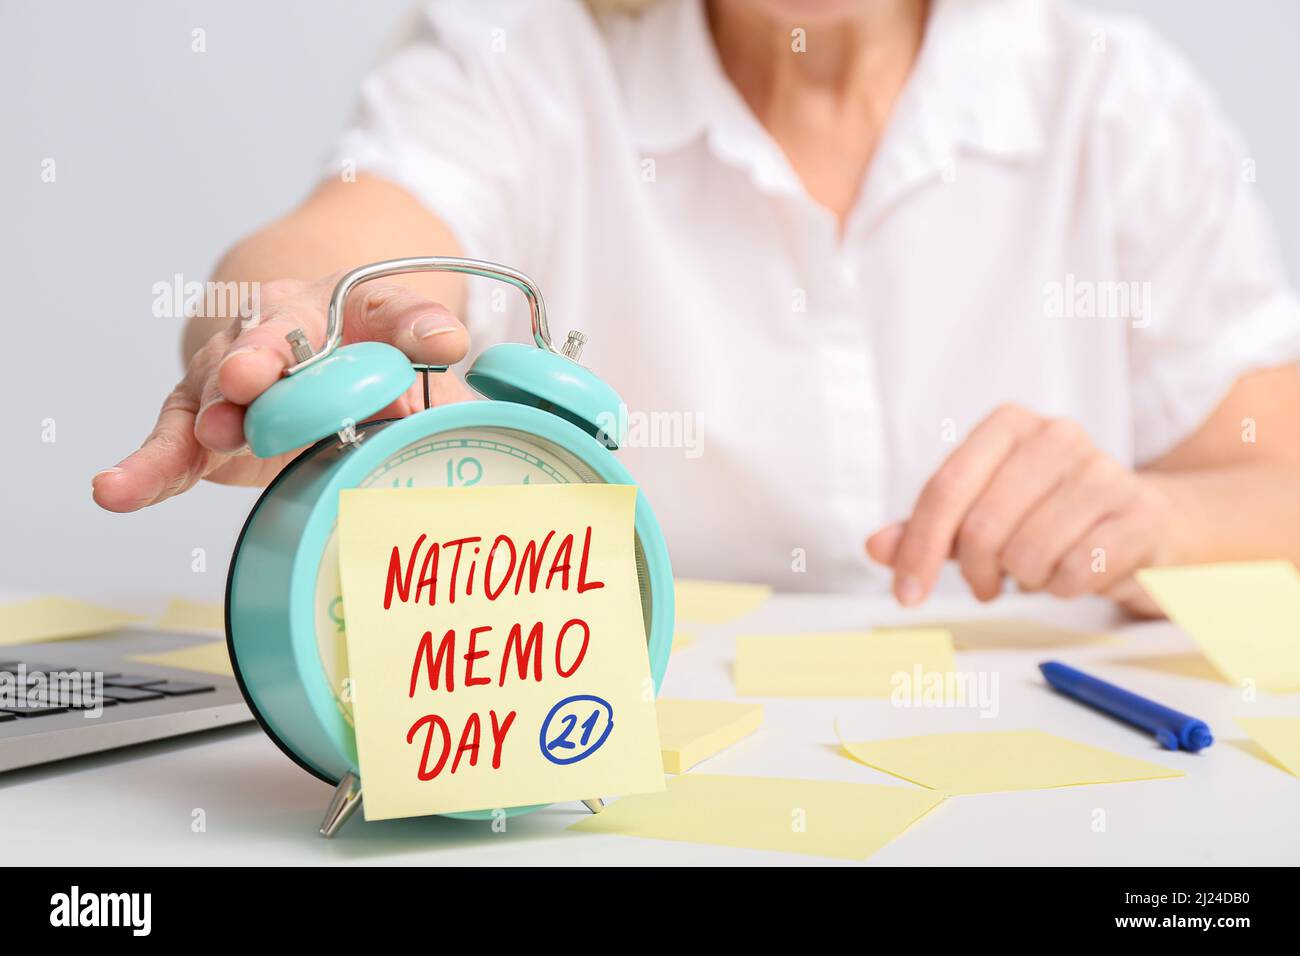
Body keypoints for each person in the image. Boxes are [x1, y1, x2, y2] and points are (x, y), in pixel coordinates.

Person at [92, 0, 1300, 614]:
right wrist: (282, 325)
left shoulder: (1111, 96)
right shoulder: (527, 58)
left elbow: (1278, 474)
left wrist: (1156, 523)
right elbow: (344, 238)